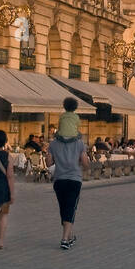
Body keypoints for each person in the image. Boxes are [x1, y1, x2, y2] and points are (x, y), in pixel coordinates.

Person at [46, 98, 90, 251]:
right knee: (71, 207)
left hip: (59, 179)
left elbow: (49, 163)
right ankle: (65, 239)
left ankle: (70, 236)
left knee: (63, 207)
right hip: (74, 179)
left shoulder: (53, 144)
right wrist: (84, 163)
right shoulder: (79, 144)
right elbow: (85, 163)